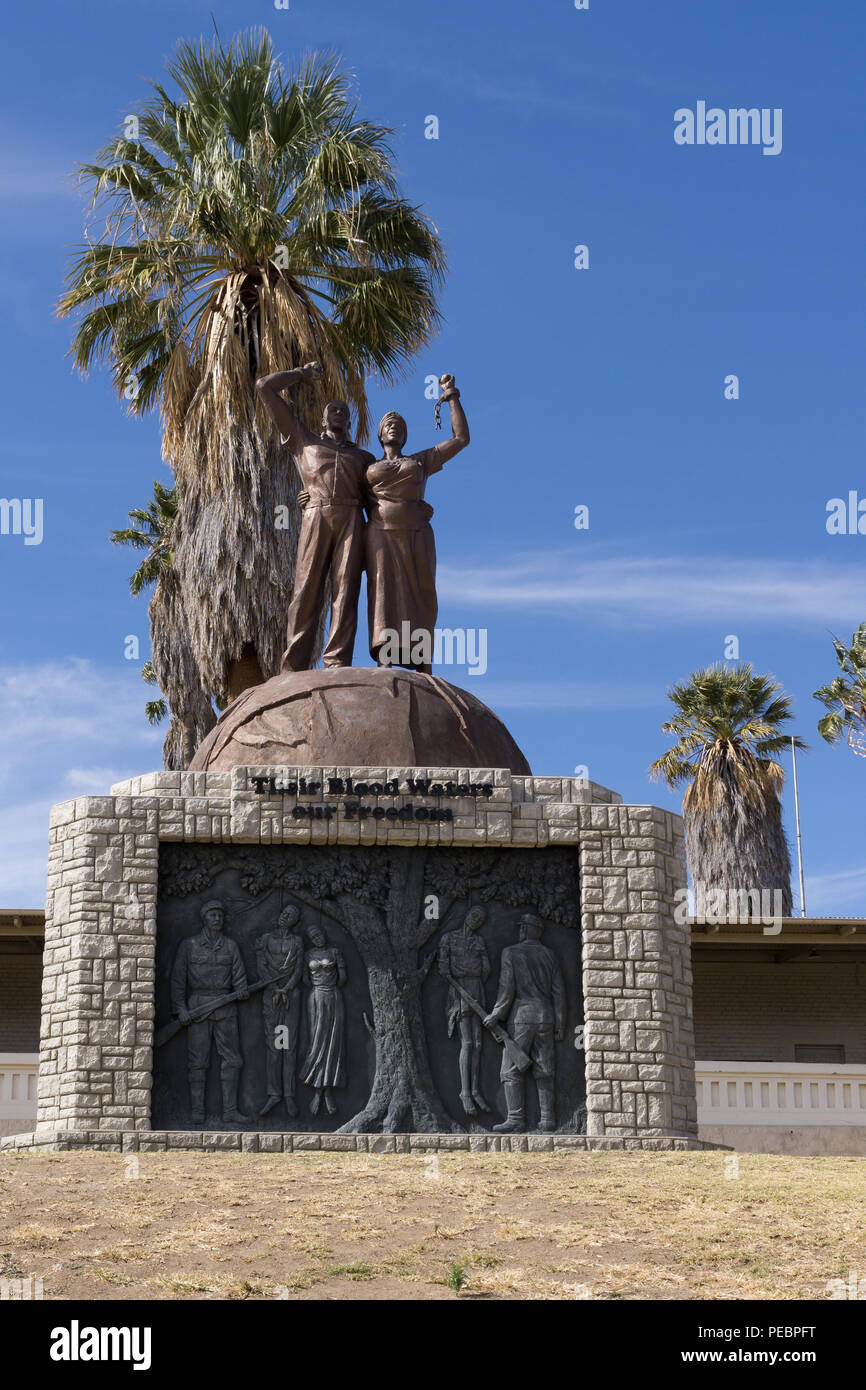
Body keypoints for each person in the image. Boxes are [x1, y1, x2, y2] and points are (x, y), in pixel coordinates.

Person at [255, 362, 375, 671]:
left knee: (346, 591)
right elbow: (263, 387)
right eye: (332, 409)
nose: (338, 412)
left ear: (350, 421)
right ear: (322, 418)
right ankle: (293, 666)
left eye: (343, 410)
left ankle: (336, 661)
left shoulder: (363, 458)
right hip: (315, 514)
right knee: (306, 589)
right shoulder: (303, 440)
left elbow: (379, 498)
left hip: (351, 517)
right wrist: (301, 374)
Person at [364, 374, 469, 672]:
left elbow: (461, 439)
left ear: (405, 435)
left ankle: (421, 659)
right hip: (380, 534)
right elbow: (341, 489)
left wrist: (451, 396)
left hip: (417, 533)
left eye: (399, 424)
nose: (393, 426)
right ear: (380, 434)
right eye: (388, 424)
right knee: (383, 591)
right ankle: (385, 653)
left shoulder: (420, 461)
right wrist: (311, 496)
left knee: (421, 594)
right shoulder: (367, 466)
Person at [484, 914, 566, 1134]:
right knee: (545, 1068)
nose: (519, 931)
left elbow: (506, 988)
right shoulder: (550, 955)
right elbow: (558, 992)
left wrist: (496, 1014)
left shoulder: (511, 952)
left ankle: (515, 1119)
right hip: (546, 1016)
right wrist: (560, 1022)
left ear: (527, 930)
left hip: (521, 1016)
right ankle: (548, 1120)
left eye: (522, 928)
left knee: (510, 1069)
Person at [170, 900, 250, 1125]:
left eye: (220, 916)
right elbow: (178, 980)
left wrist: (242, 991)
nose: (217, 919)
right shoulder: (189, 945)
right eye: (213, 915)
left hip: (225, 1007)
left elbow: (240, 978)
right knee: (198, 1063)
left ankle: (230, 1111)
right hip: (198, 1008)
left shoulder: (231, 946)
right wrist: (181, 1008)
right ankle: (197, 1111)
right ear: (204, 917)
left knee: (232, 1060)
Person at [437, 905, 491, 1115]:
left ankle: (476, 1090)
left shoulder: (479, 941)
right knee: (467, 1043)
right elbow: (443, 967)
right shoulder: (449, 938)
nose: (476, 920)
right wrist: (459, 975)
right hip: (458, 991)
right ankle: (465, 1092)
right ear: (467, 914)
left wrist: (474, 976)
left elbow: (486, 968)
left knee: (478, 1043)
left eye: (481, 919)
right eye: (474, 915)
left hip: (476, 988)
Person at [255, 904, 305, 1118]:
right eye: (283, 912)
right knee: (274, 1046)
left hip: (290, 997)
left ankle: (289, 1095)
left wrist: (286, 989)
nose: (285, 917)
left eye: (290, 915)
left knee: (289, 1046)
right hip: (271, 997)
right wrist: (274, 988)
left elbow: (299, 968)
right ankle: (274, 1093)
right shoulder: (266, 939)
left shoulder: (297, 941)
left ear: (295, 921)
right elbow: (261, 965)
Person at [301, 924, 347, 1115]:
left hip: (333, 997)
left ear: (324, 933)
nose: (317, 937)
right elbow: (304, 979)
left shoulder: (334, 952)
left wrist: (331, 986)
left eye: (319, 933)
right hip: (316, 997)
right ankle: (316, 1091)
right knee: (316, 1042)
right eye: (313, 936)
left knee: (333, 1043)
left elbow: (343, 977)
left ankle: (328, 1090)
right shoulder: (308, 955)